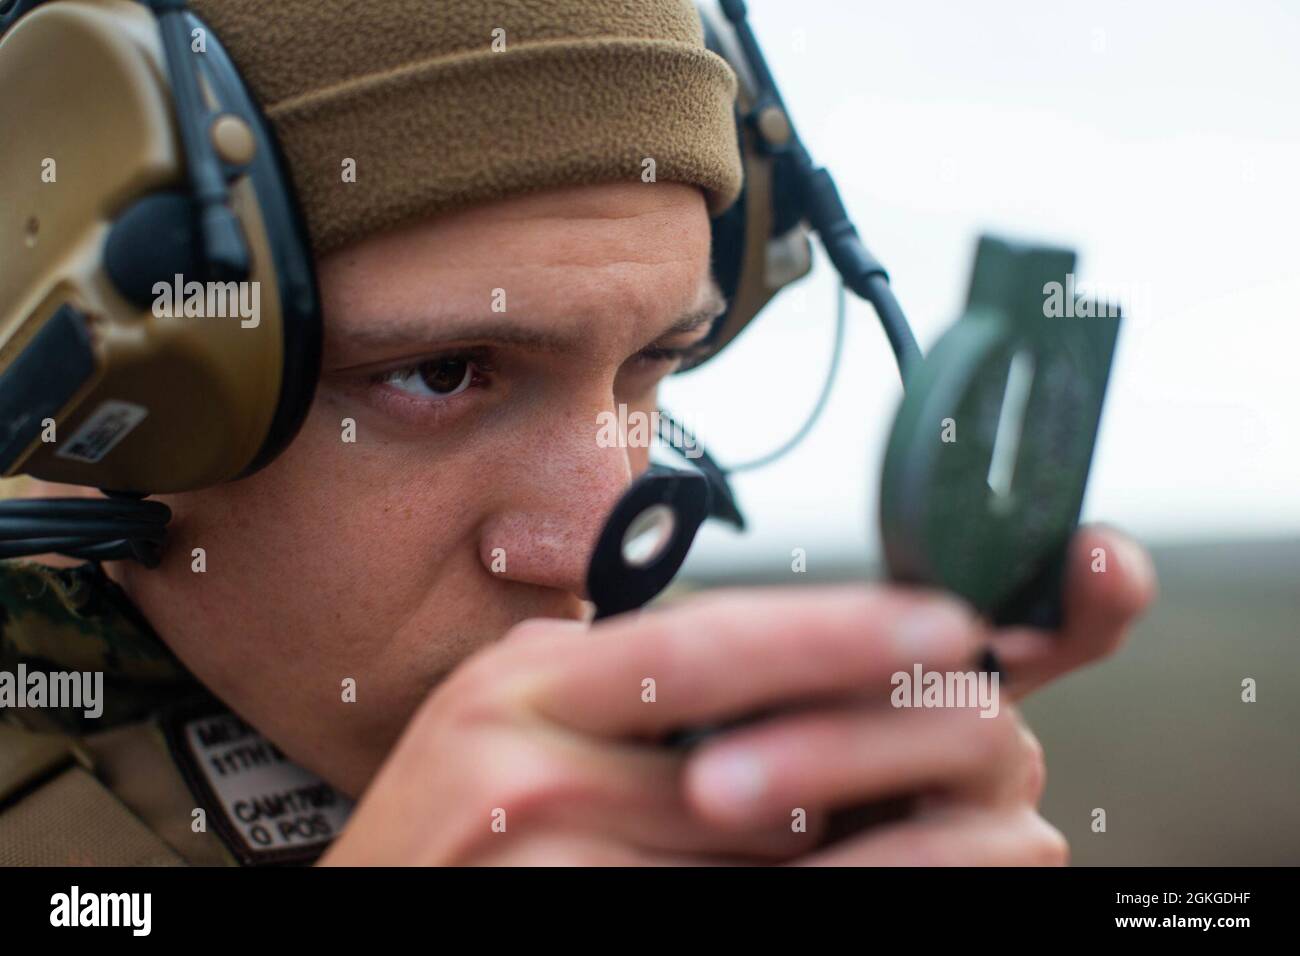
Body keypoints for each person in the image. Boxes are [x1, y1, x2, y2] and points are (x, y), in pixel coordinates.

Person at [0, 0, 1154, 866]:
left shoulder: (731, 764)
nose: (597, 553)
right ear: (98, 377)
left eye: (656, 360)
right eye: (442, 373)